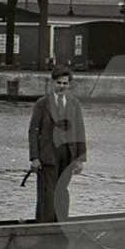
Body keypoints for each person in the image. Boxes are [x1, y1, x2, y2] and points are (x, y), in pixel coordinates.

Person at [28, 65, 89, 222]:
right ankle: (44, 228)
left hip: (67, 156)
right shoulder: (42, 104)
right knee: (47, 194)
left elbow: (80, 131)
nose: (62, 87)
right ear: (52, 83)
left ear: (69, 85)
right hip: (47, 156)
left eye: (65, 83)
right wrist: (34, 157)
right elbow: (33, 131)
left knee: (61, 191)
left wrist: (80, 159)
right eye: (59, 83)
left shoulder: (74, 104)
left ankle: (61, 225)